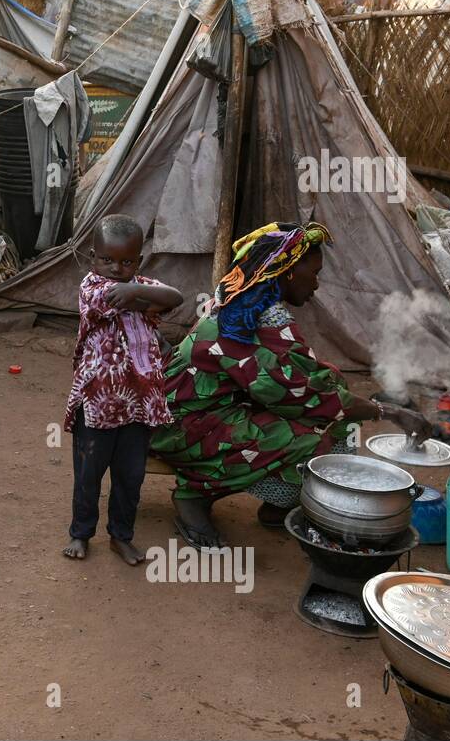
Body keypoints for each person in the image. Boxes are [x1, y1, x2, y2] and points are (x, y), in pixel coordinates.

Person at [150, 222, 433, 549]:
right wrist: (388, 411)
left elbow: (308, 378)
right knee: (306, 436)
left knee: (329, 394)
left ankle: (280, 505)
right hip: (178, 428)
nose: (317, 283)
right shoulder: (238, 329)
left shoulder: (252, 307)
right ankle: (194, 496)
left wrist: (358, 401)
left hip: (210, 410)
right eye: (313, 272)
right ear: (286, 272)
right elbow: (306, 396)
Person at [62, 215, 184, 566]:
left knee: (130, 476)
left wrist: (137, 290)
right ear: (92, 257)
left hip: (138, 404)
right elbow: (137, 299)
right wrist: (140, 293)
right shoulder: (91, 288)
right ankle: (80, 533)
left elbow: (174, 297)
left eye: (127, 261)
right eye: (107, 259)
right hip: (98, 402)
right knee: (88, 474)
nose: (116, 268)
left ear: (138, 261)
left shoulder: (135, 285)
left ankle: (121, 536)